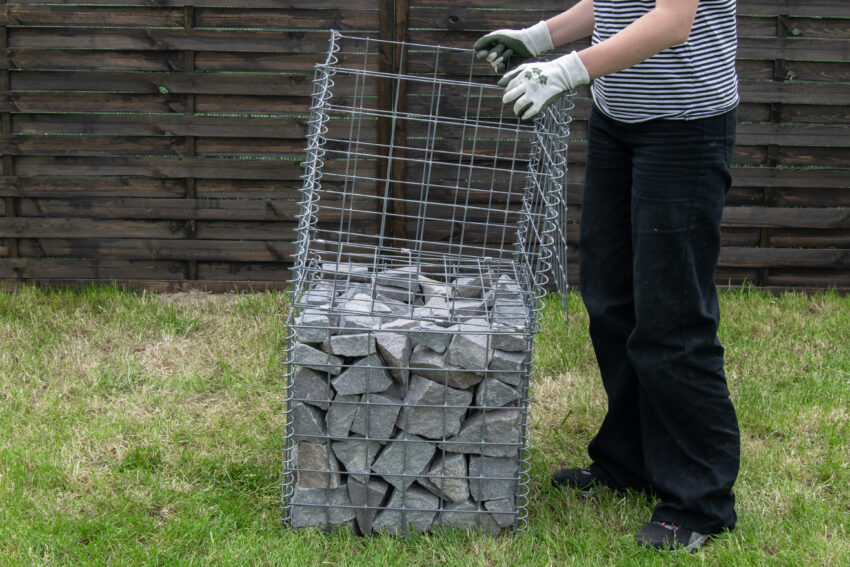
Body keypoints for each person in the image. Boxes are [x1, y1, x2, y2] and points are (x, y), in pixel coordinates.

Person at [475, 0, 741, 554]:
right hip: (617, 121)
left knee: (671, 320)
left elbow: (672, 20)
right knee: (612, 301)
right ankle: (630, 462)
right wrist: (539, 37)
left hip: (683, 128)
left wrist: (568, 70)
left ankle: (699, 500)